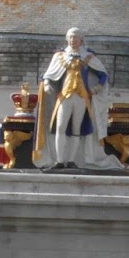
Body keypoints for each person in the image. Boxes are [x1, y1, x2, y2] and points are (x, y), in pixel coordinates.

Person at [41, 27, 108, 171]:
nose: (73, 40)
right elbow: (48, 74)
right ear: (67, 39)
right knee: (60, 126)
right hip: (65, 95)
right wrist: (47, 84)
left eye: (75, 37)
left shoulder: (88, 56)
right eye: (70, 37)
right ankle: (59, 160)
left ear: (81, 40)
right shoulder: (60, 56)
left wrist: (97, 88)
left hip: (81, 96)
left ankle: (71, 160)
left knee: (76, 127)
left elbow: (103, 74)